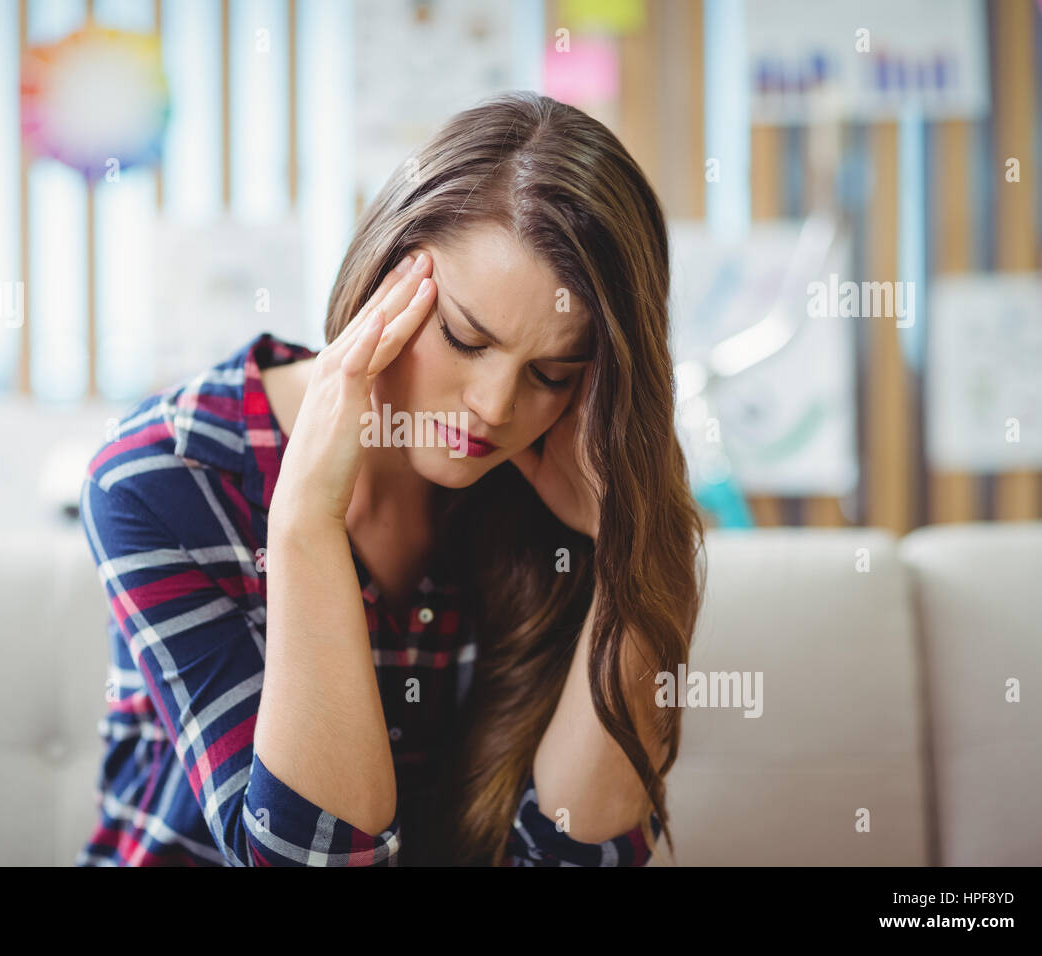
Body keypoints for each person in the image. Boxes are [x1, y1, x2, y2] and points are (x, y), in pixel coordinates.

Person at [76, 90, 705, 866]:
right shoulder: (161, 477)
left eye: (550, 372)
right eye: (465, 337)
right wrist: (305, 524)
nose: (494, 408)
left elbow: (576, 859)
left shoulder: (561, 487)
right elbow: (307, 860)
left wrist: (634, 556)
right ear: (383, 274)